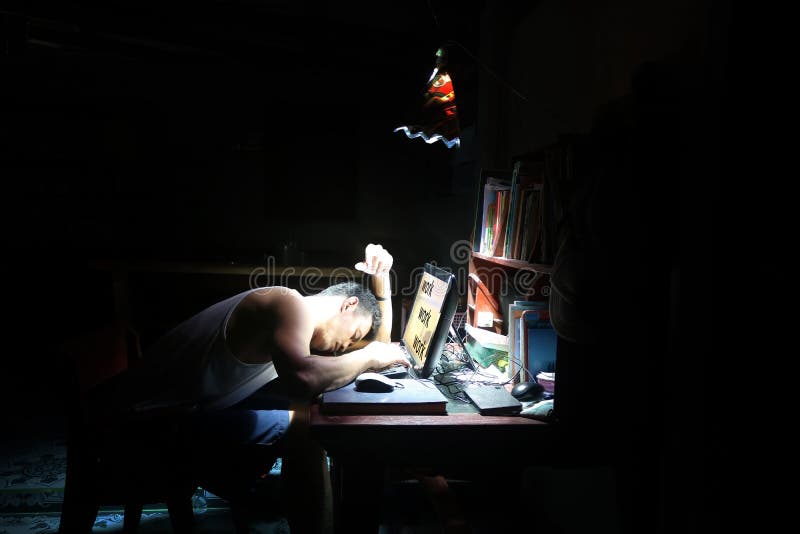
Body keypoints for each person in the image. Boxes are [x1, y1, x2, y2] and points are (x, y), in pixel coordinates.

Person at [92, 243, 409, 534]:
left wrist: (383, 283)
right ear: (347, 304)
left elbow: (379, 349)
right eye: (353, 336)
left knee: (304, 414)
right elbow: (304, 377)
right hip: (139, 429)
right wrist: (366, 356)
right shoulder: (288, 304)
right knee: (306, 426)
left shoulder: (296, 322)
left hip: (161, 417)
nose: (346, 348)